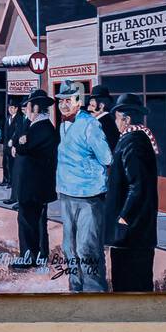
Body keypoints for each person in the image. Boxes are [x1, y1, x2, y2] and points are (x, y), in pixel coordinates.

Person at [55, 79, 113, 293]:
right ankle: (75, 289)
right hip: (67, 194)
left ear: (79, 101)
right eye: (60, 100)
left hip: (89, 197)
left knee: (87, 248)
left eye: (68, 100)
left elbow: (107, 158)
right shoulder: (62, 125)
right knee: (69, 248)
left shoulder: (90, 124)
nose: (63, 104)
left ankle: (94, 292)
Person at [105, 94, 161, 292]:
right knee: (134, 280)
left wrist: (123, 217)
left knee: (129, 282)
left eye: (117, 118)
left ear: (126, 119)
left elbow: (137, 185)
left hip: (131, 232)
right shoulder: (136, 139)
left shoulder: (132, 142)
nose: (115, 122)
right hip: (135, 232)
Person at [11, 89, 59, 270]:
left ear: (36, 107)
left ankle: (29, 257)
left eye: (28, 106)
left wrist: (22, 144)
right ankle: (39, 254)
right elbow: (19, 142)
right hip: (34, 186)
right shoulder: (35, 126)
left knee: (28, 221)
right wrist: (21, 142)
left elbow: (24, 148)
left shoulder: (43, 128)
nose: (25, 109)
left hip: (34, 186)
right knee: (35, 221)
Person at [2, 98, 27, 196]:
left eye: (12, 108)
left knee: (12, 164)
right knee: (5, 162)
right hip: (6, 144)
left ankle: (11, 182)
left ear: (16, 109)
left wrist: (12, 140)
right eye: (9, 108)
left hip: (13, 144)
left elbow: (18, 131)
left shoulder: (19, 118)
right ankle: (5, 179)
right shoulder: (8, 118)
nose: (10, 109)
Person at [88, 84, 120, 155]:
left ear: (101, 106)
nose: (88, 109)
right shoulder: (109, 120)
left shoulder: (102, 124)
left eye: (92, 105)